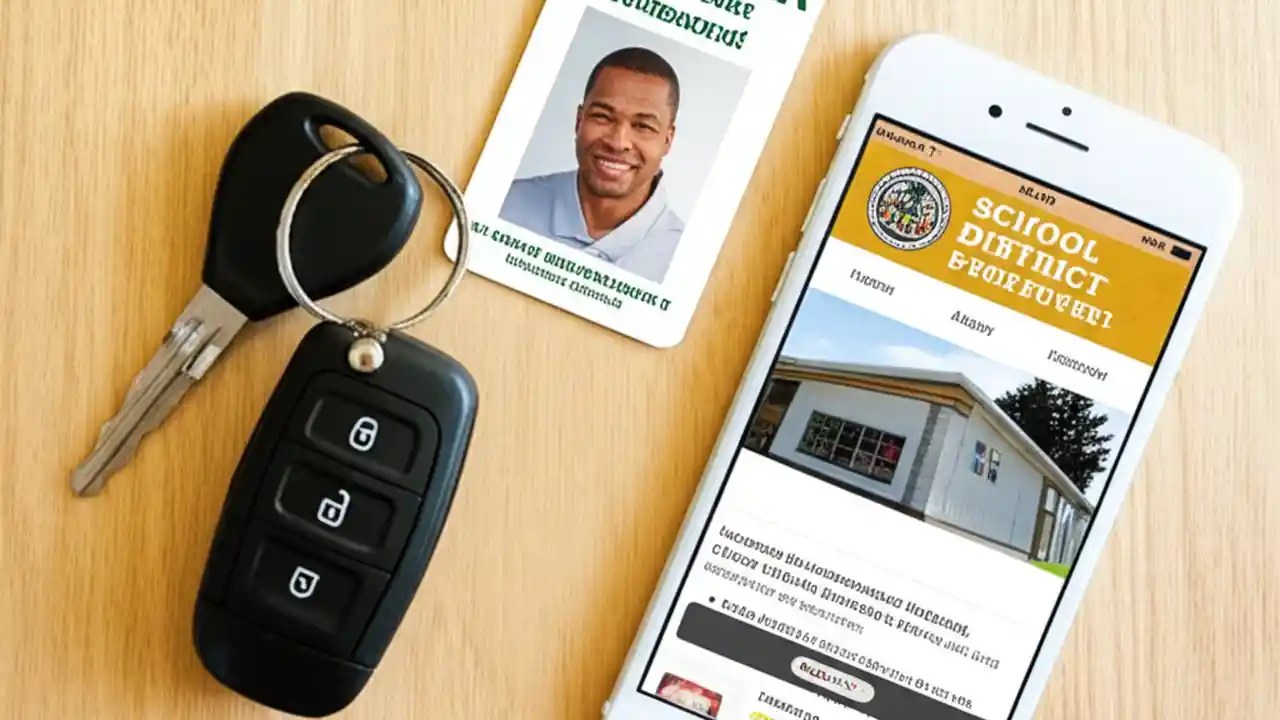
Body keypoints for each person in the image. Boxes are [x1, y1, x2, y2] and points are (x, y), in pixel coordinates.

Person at [500, 46, 685, 284]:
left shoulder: (686, 262)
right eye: (603, 117)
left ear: (667, 141)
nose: (618, 143)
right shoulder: (503, 203)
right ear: (579, 120)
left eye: (643, 126)